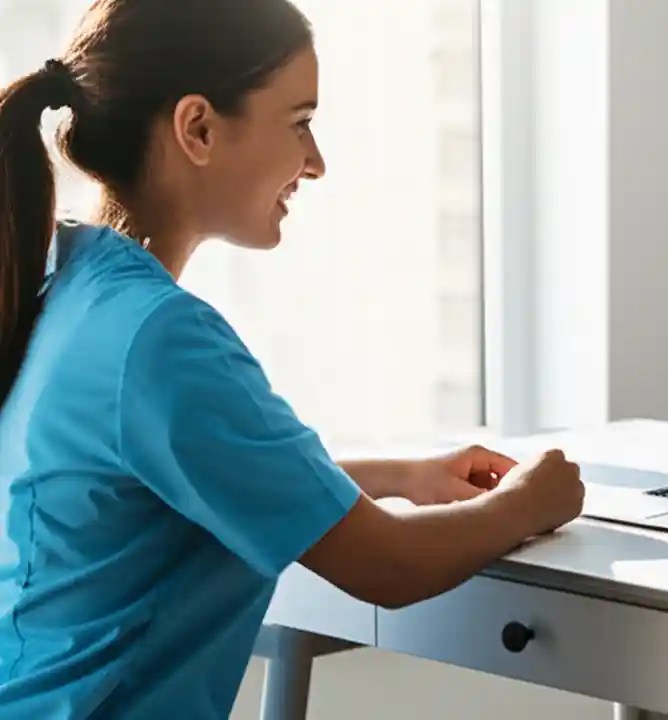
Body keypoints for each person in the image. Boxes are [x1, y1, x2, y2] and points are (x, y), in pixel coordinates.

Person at [0, 1, 584, 717]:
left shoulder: (69, 279)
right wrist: (533, 501)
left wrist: (399, 476)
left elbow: (165, 485)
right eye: (299, 122)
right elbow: (389, 565)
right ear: (199, 128)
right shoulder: (160, 340)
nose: (316, 162)